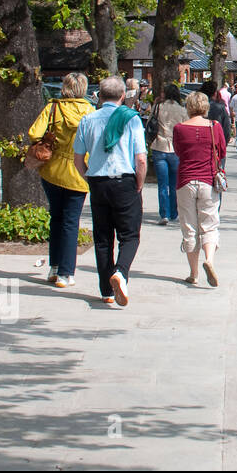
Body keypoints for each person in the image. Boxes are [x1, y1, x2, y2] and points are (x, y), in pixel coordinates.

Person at [74, 76, 148, 306]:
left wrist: (89, 177)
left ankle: (106, 290)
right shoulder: (131, 119)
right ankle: (121, 272)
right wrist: (139, 182)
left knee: (103, 238)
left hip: (98, 181)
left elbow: (77, 159)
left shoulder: (88, 119)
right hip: (124, 180)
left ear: (100, 96)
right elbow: (141, 159)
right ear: (123, 96)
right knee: (130, 235)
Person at [28, 73, 94, 287]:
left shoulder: (53, 107)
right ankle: (67, 273)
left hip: (53, 169)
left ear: (65, 87)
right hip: (79, 171)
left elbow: (33, 133)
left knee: (55, 217)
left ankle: (54, 267)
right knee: (70, 222)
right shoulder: (89, 111)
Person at [173, 90, 227, 287]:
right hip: (208, 180)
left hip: (185, 180)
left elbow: (178, 151)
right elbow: (221, 151)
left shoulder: (179, 128)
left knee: (189, 227)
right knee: (210, 223)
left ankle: (194, 273)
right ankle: (209, 260)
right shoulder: (215, 126)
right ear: (205, 107)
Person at [148, 83, 189, 225]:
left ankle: (164, 213)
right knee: (174, 183)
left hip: (159, 145)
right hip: (175, 149)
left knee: (162, 183)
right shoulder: (182, 110)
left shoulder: (158, 107)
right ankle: (174, 212)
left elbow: (150, 123)